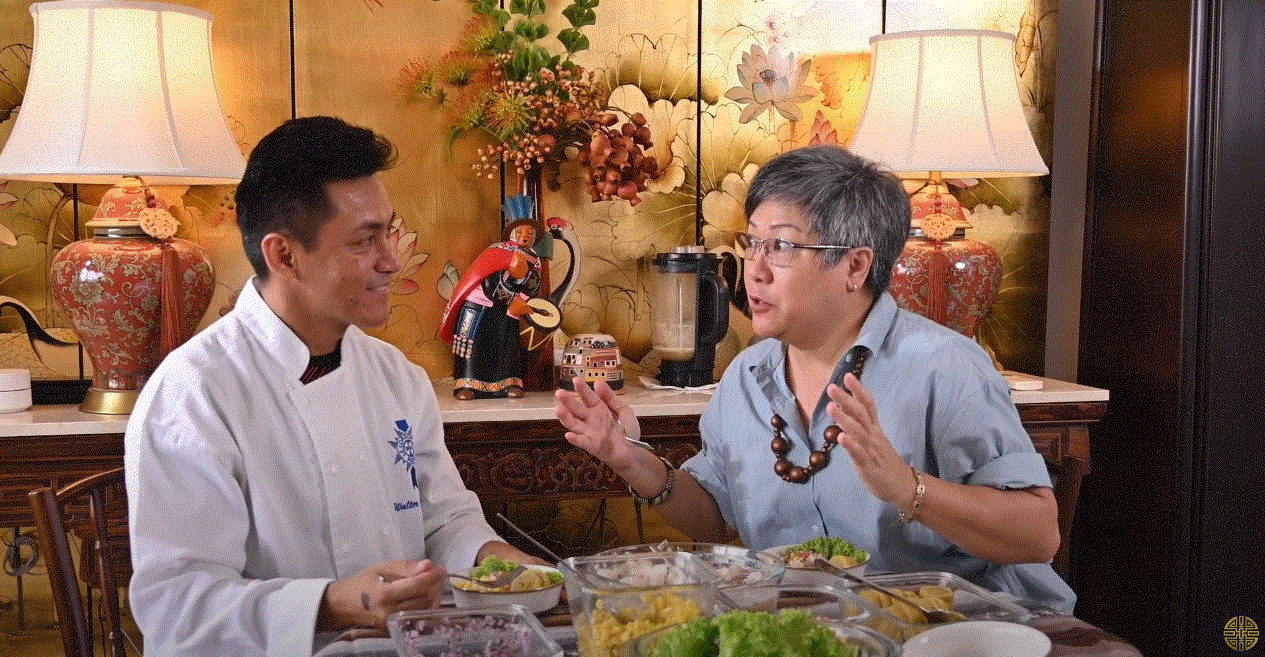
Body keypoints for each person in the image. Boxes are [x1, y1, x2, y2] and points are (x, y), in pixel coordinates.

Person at [555, 144, 1075, 613]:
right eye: (751, 243)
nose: (754, 270)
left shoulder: (944, 367)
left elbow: (1038, 534)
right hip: (821, 634)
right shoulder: (745, 380)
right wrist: (628, 458)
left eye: (781, 248)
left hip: (964, 632)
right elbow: (717, 516)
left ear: (854, 266)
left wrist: (905, 486)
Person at [125, 116, 547, 656]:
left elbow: (446, 520)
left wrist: (503, 561)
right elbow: (179, 611)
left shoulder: (396, 377)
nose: (391, 259)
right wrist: (331, 603)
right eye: (364, 240)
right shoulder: (194, 394)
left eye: (388, 231)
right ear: (284, 255)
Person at [438, 218, 543, 399]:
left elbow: (533, 285)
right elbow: (489, 280)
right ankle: (467, 384)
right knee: (473, 345)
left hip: (508, 310)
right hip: (480, 303)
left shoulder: (534, 258)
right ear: (511, 234)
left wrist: (521, 279)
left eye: (530, 234)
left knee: (506, 344)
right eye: (520, 232)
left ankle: (509, 382)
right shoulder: (498, 250)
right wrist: (511, 297)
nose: (525, 237)